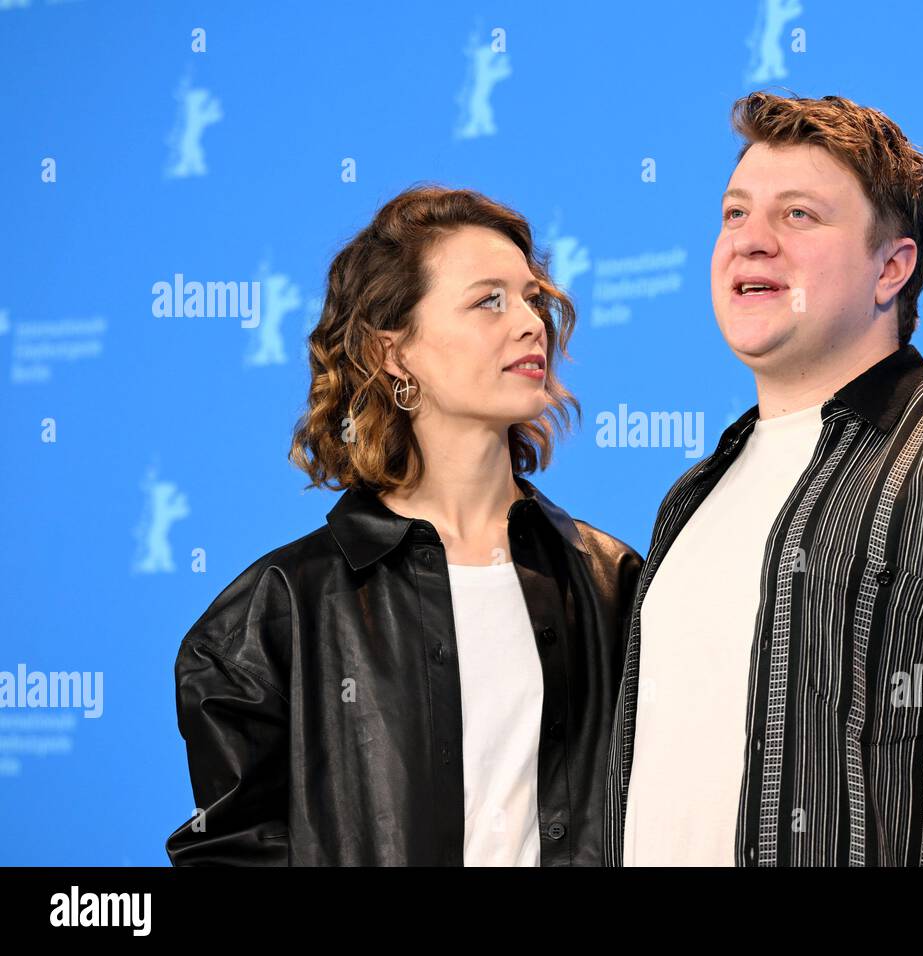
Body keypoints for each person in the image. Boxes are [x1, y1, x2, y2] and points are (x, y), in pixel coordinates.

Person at [604, 91, 923, 867]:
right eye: (735, 213)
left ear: (891, 267)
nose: (750, 241)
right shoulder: (691, 499)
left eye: (798, 215)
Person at [165, 185, 642, 866]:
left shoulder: (614, 584)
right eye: (489, 301)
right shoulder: (277, 612)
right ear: (396, 354)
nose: (532, 322)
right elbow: (231, 852)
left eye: (533, 297)